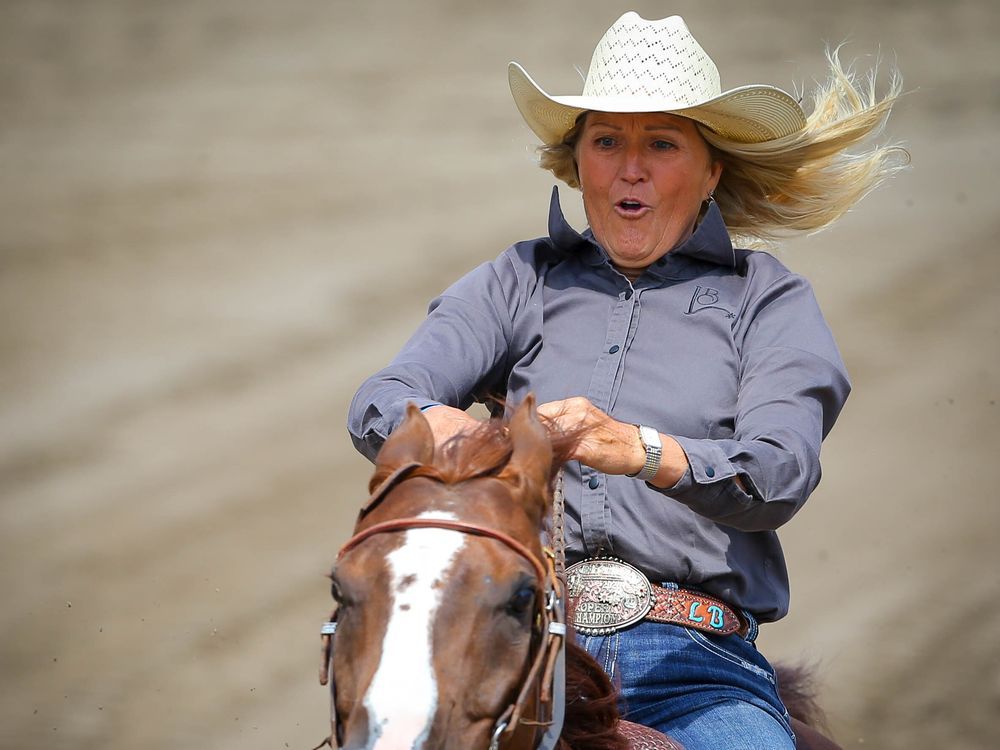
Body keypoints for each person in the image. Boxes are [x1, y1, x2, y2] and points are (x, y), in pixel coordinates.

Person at [348, 11, 905, 750]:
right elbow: (379, 400)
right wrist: (435, 424)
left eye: (662, 144)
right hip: (510, 651)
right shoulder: (519, 279)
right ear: (577, 164)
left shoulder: (767, 300)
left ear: (712, 169)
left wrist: (639, 449)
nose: (630, 168)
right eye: (607, 140)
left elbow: (779, 473)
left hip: (697, 669)